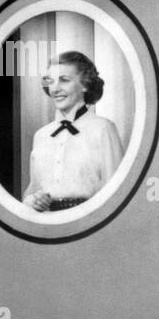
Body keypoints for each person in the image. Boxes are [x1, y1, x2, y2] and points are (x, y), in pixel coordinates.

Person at [23, 51, 125, 212]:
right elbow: (34, 190)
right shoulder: (41, 135)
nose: (55, 88)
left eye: (64, 80)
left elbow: (118, 194)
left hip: (89, 226)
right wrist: (33, 201)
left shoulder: (103, 129)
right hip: (47, 224)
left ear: (85, 84)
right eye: (51, 81)